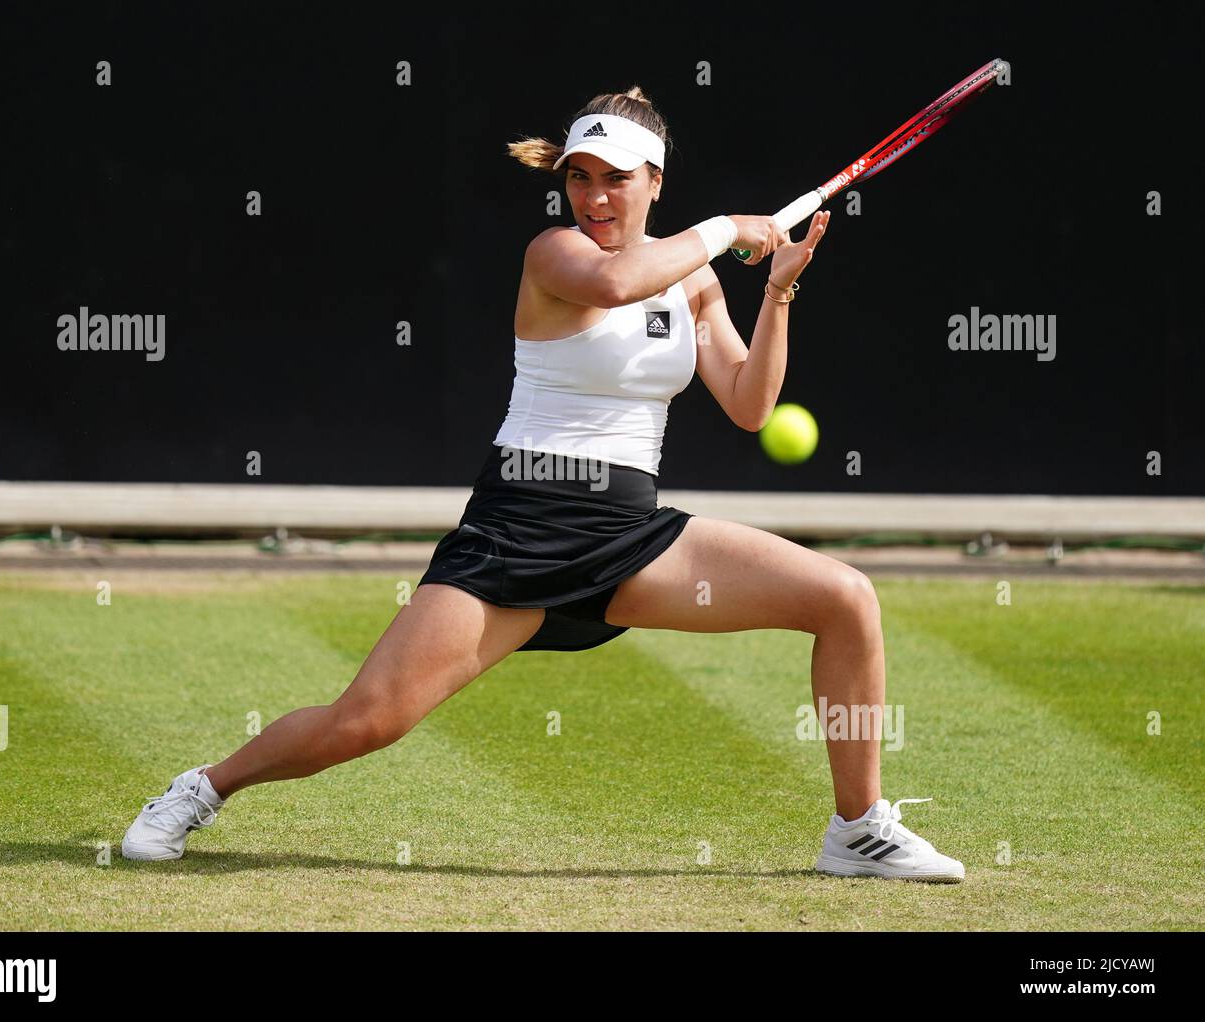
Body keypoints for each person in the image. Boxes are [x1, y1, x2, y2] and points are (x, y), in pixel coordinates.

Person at [123, 86, 964, 883]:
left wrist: (778, 294)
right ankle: (203, 788)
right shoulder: (556, 255)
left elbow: (750, 405)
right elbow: (613, 284)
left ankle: (858, 830)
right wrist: (726, 225)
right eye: (580, 178)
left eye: (615, 181)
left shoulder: (694, 276)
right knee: (366, 721)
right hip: (517, 528)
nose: (594, 199)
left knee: (846, 598)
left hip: (631, 536)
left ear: (653, 184)